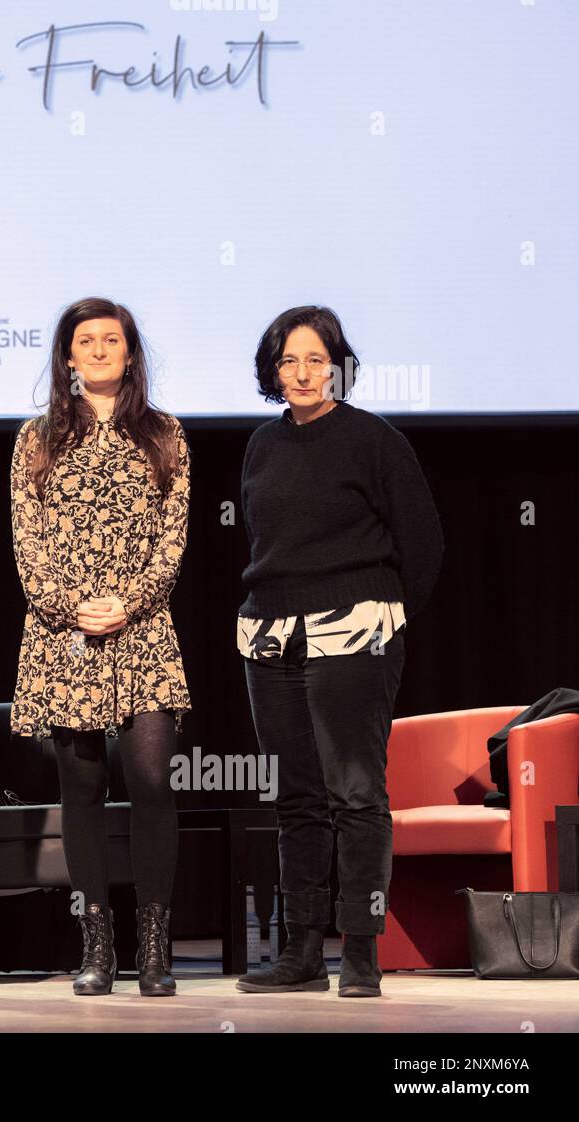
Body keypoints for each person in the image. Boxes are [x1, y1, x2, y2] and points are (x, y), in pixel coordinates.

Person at [234, 305, 443, 998]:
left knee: (354, 793)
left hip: (356, 630)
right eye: (288, 361)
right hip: (270, 637)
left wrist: (385, 619)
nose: (301, 373)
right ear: (272, 370)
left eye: (315, 359)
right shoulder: (262, 444)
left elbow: (424, 542)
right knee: (296, 798)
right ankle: (300, 953)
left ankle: (360, 951)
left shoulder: (373, 440)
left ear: (338, 366)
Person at [10, 297, 191, 997]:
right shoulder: (37, 438)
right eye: (84, 340)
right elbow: (26, 542)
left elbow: (173, 541)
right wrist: (71, 607)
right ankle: (98, 949)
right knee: (82, 789)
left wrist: (130, 603)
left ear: (130, 352)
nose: (97, 349)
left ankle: (154, 947)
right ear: (66, 357)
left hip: (142, 630)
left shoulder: (167, 435)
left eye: (110, 339)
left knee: (149, 783)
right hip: (65, 635)